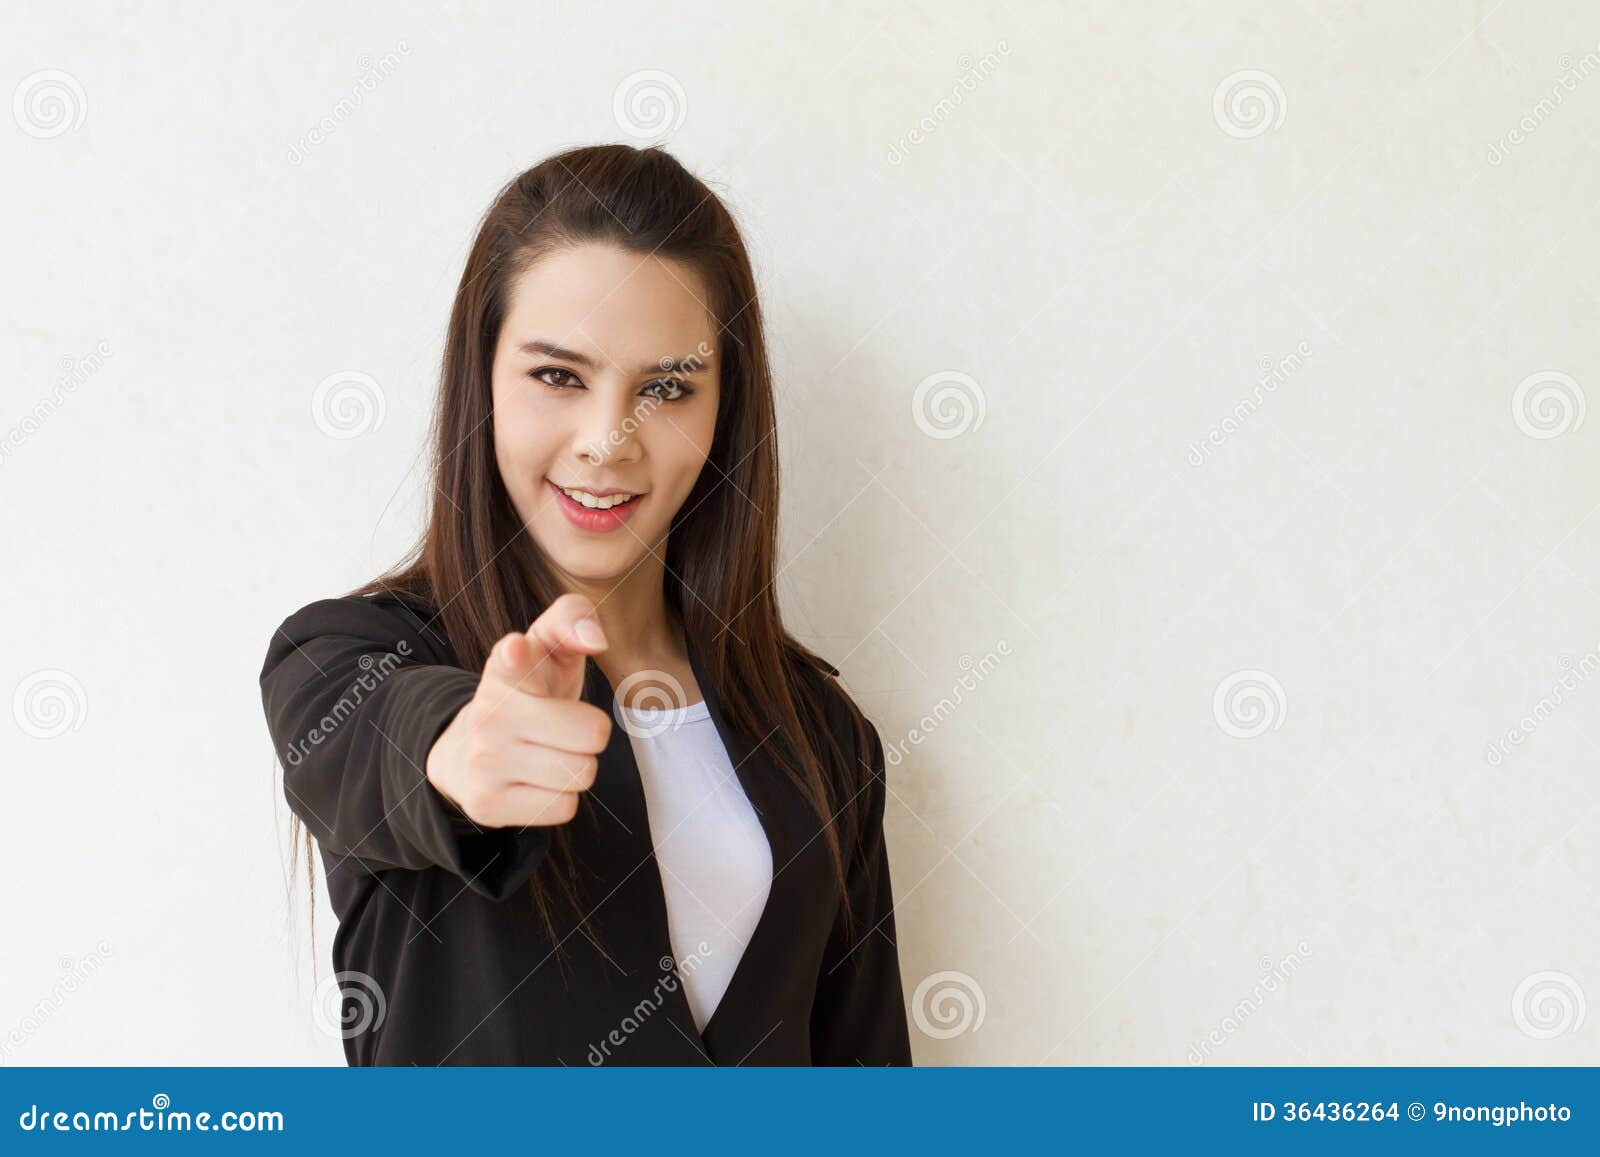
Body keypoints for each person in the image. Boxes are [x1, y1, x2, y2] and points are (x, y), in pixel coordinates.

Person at [258, 144, 913, 1066]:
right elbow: (380, 739)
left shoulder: (822, 734)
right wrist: (462, 744)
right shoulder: (346, 658)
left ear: (726, 408)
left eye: (666, 388)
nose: (609, 441)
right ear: (481, 379)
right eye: (559, 376)